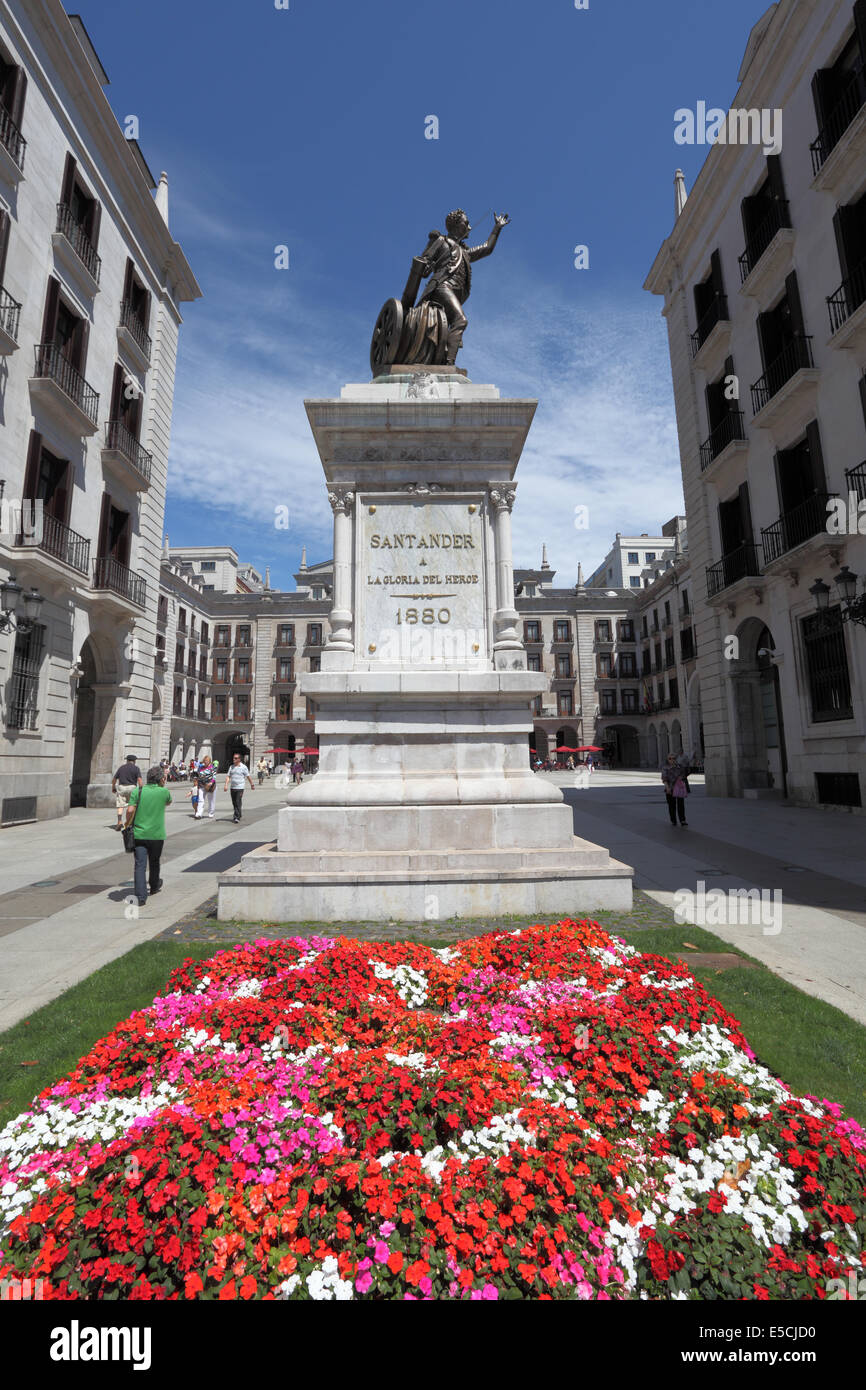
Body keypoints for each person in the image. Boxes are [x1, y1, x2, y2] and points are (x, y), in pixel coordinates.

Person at [125, 765, 172, 906]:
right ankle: (154, 885)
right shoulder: (164, 792)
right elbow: (168, 802)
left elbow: (130, 809)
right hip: (157, 834)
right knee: (155, 861)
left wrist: (127, 823)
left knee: (140, 865)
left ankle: (140, 896)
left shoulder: (138, 792)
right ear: (160, 779)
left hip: (139, 834)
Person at [111, 754, 142, 831]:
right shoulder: (136, 768)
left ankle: (119, 822)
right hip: (132, 788)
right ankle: (129, 823)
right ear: (134, 761)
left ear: (127, 760)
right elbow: (140, 781)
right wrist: (141, 789)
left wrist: (113, 787)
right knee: (132, 805)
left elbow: (114, 779)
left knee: (120, 806)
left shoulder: (121, 768)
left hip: (122, 787)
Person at [225, 752, 254, 822]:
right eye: (233, 758)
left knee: (238, 801)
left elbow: (248, 776)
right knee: (234, 802)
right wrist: (226, 785)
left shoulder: (243, 767)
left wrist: (252, 784)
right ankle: (239, 814)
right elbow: (228, 776)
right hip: (233, 787)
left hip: (240, 787)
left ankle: (236, 817)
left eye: (235, 758)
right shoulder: (231, 767)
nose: (234, 759)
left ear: (239, 759)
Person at [661, 753, 689, 827]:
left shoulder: (679, 767)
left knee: (681, 804)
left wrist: (681, 777)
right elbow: (664, 778)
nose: (672, 760)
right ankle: (673, 820)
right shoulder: (665, 767)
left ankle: (682, 820)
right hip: (670, 788)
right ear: (667, 759)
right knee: (671, 805)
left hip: (679, 788)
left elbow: (684, 774)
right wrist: (667, 788)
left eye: (673, 758)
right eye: (670, 758)